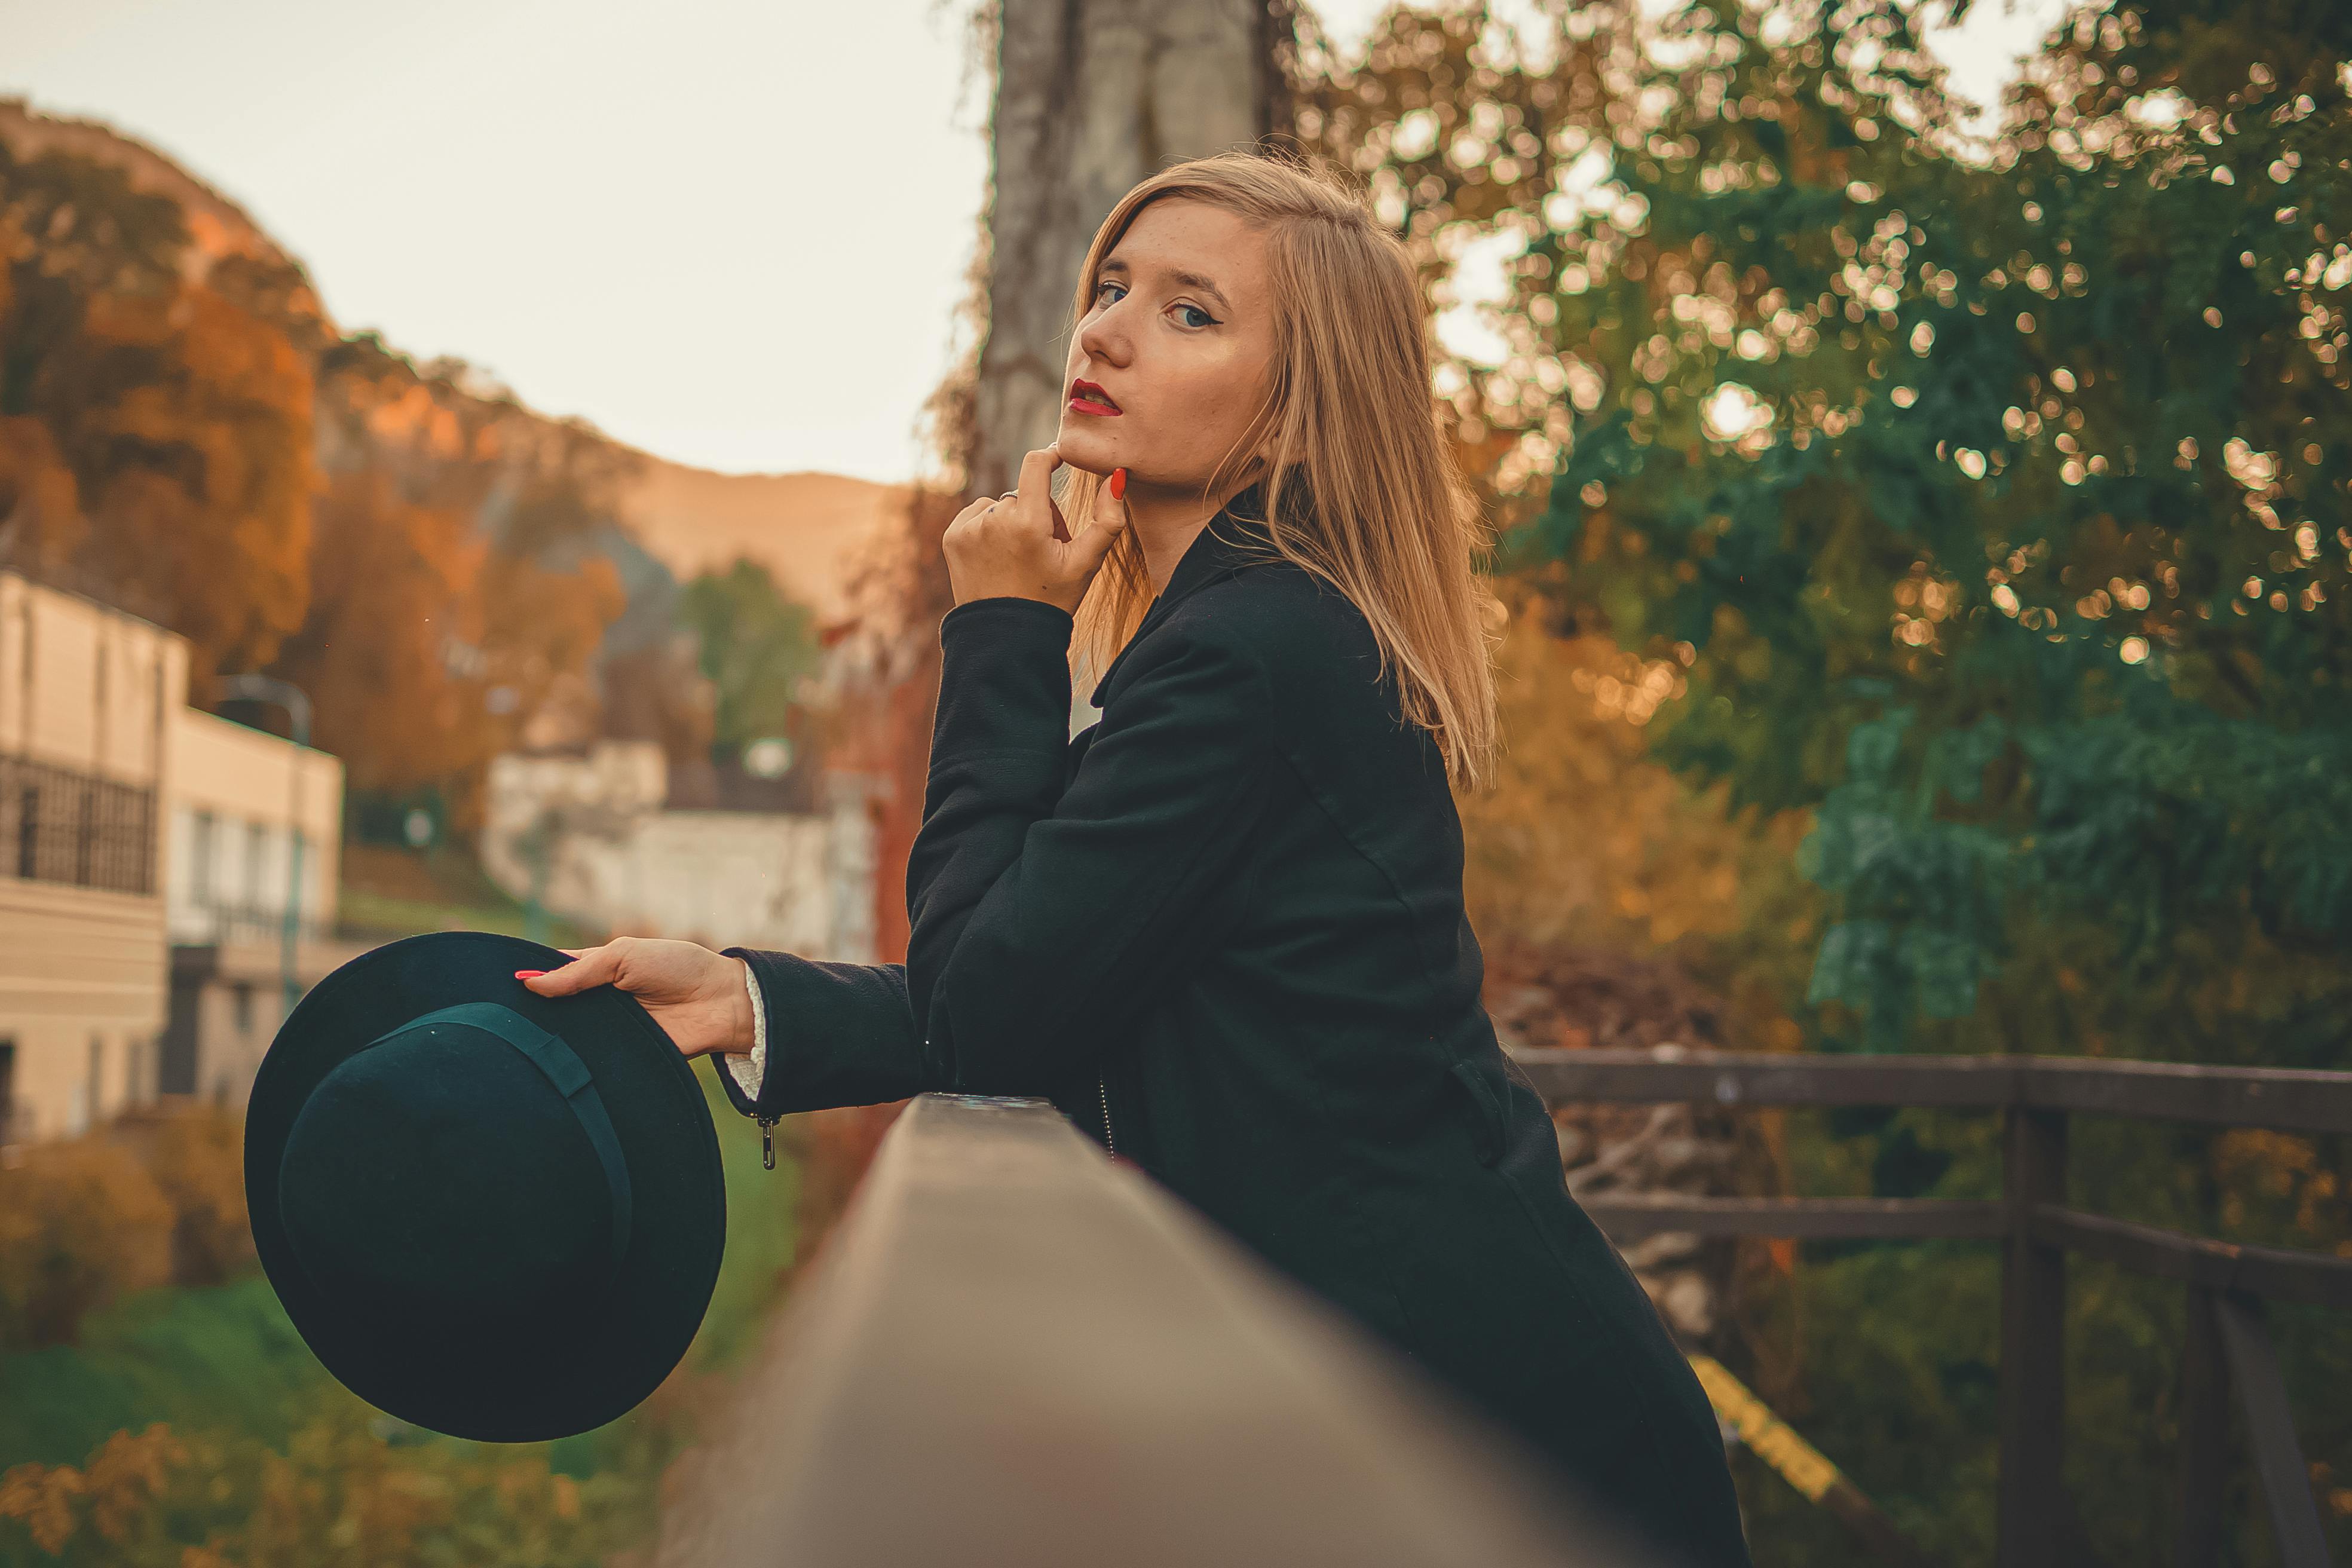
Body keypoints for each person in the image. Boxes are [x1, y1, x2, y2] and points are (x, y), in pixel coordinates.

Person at [523, 152, 1751, 1566]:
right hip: (1419, 1407)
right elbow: (1051, 971)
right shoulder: (1241, 635)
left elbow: (991, 1008)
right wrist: (748, 999)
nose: (1104, 331)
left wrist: (1001, 631)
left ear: (1294, 416)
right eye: (1111, 288)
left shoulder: (1252, 652)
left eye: (1190, 312)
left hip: (1509, 1452)